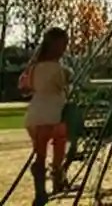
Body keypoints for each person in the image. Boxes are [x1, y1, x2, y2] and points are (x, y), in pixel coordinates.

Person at [20, 27, 72, 203]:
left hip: (34, 116)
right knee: (61, 136)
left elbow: (25, 88)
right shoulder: (58, 69)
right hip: (53, 115)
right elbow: (64, 83)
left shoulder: (33, 68)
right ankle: (58, 174)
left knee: (40, 153)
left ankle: (40, 190)